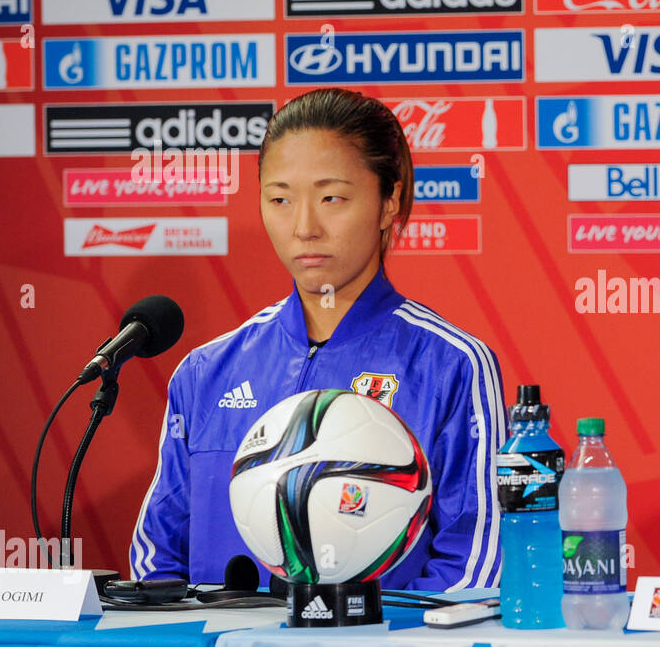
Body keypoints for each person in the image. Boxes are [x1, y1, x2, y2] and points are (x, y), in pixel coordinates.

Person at [130, 88, 504, 590]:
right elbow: (157, 563)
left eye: (332, 198)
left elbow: (472, 571)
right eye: (280, 199)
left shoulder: (451, 365)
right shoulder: (206, 372)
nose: (305, 227)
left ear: (389, 201)